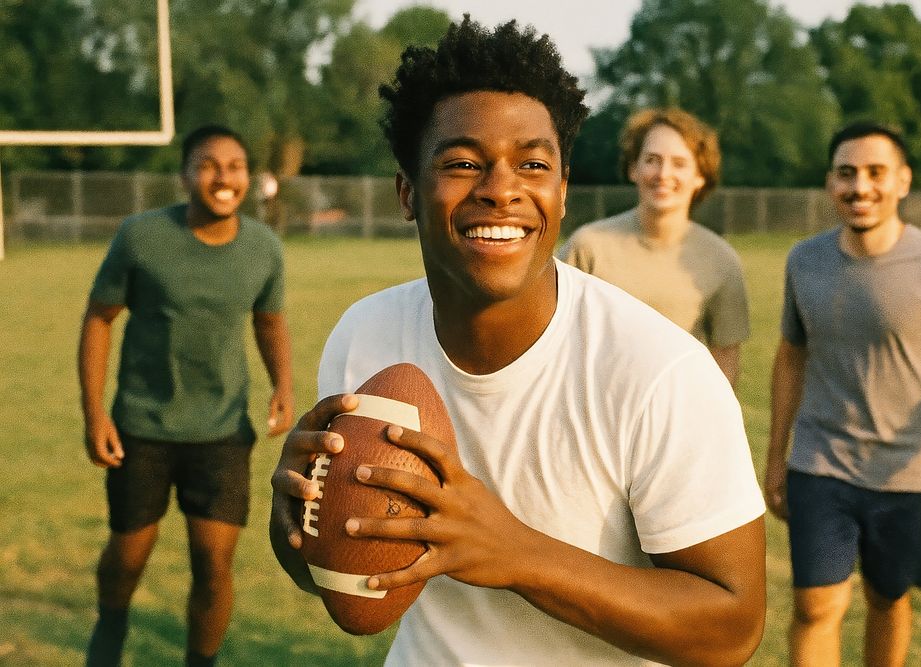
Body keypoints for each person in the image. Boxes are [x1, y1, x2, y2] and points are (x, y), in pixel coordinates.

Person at [270, 17, 765, 666]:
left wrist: (516, 552)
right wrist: (298, 530)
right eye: (463, 162)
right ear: (407, 193)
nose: (502, 188)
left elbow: (732, 627)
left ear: (562, 194)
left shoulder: (659, 371)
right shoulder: (366, 336)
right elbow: (354, 586)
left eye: (532, 164)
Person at [765, 121, 921, 666]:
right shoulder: (804, 260)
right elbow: (790, 355)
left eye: (875, 173)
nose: (860, 187)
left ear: (902, 182)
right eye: (846, 173)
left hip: (909, 472)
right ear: (830, 183)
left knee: (887, 598)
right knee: (815, 604)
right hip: (822, 462)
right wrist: (777, 456)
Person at [79, 124, 294, 667]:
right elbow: (100, 319)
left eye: (236, 165)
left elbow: (269, 323)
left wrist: (283, 385)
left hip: (222, 433)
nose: (224, 176)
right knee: (128, 558)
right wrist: (94, 413)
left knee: (214, 564)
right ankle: (110, 630)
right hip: (142, 428)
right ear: (184, 175)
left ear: (249, 176)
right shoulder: (140, 236)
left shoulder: (264, 249)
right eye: (208, 163)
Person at [558, 108, 749, 388]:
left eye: (680, 163)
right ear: (633, 168)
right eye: (652, 160)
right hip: (594, 416)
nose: (663, 174)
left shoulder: (721, 259)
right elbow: (553, 339)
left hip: (678, 418)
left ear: (700, 176)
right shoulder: (588, 246)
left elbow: (726, 357)